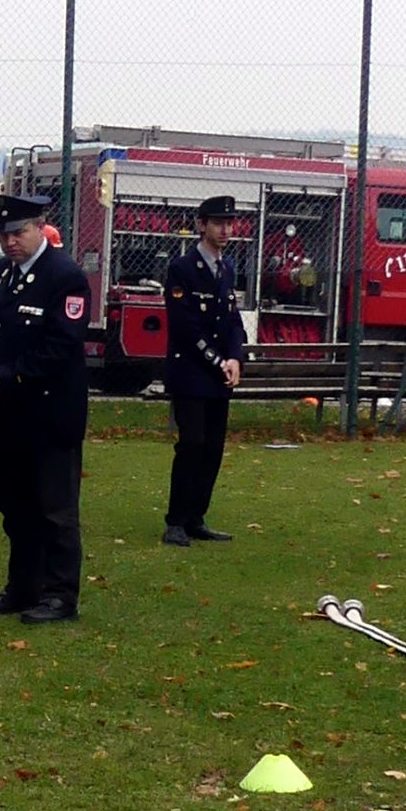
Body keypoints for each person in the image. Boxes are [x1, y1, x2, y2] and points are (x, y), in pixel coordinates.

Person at [0, 194, 89, 624]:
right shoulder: (2, 274)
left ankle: (59, 595)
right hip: (8, 414)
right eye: (3, 234)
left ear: (39, 228)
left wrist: (9, 375)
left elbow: (60, 347)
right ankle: (23, 587)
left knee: (54, 509)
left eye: (18, 233)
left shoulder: (65, 276)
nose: (10, 242)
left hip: (49, 414)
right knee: (14, 507)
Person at [162, 195, 244, 547]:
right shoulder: (183, 269)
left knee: (212, 448)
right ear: (201, 226)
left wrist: (236, 358)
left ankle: (197, 516)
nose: (225, 230)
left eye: (229, 223)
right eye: (217, 223)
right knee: (192, 443)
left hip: (218, 375)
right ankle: (176, 520)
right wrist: (217, 360)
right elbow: (186, 327)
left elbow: (233, 322)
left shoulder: (227, 269)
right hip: (191, 372)